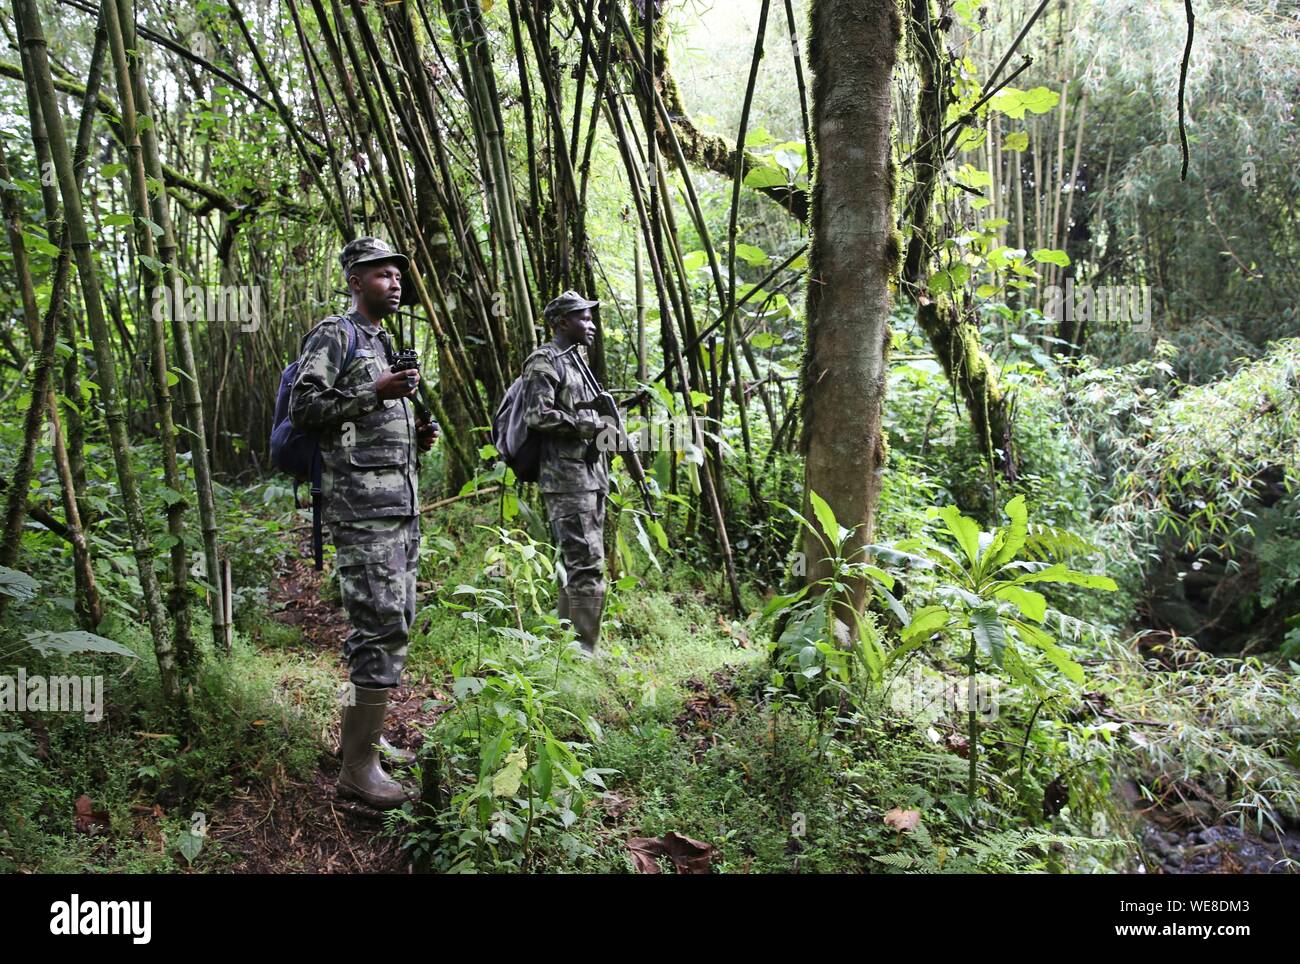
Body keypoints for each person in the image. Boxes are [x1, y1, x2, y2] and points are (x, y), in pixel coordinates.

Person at [289, 237, 439, 809]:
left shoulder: (384, 342)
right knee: (377, 626)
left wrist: (415, 435)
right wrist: (373, 391)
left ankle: (363, 745)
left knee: (395, 622)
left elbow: (370, 425)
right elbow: (307, 410)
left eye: (398, 274)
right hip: (361, 511)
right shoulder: (336, 335)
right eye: (382, 274)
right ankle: (357, 768)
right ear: (355, 280)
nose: (395, 282)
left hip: (400, 508)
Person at [520, 291, 611, 656]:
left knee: (579, 561)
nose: (590, 325)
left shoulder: (577, 361)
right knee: (586, 563)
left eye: (591, 318)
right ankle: (584, 653)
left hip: (591, 477)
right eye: (582, 318)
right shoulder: (545, 361)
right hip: (567, 481)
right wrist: (584, 423)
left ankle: (569, 647)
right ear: (560, 323)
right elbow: (536, 414)